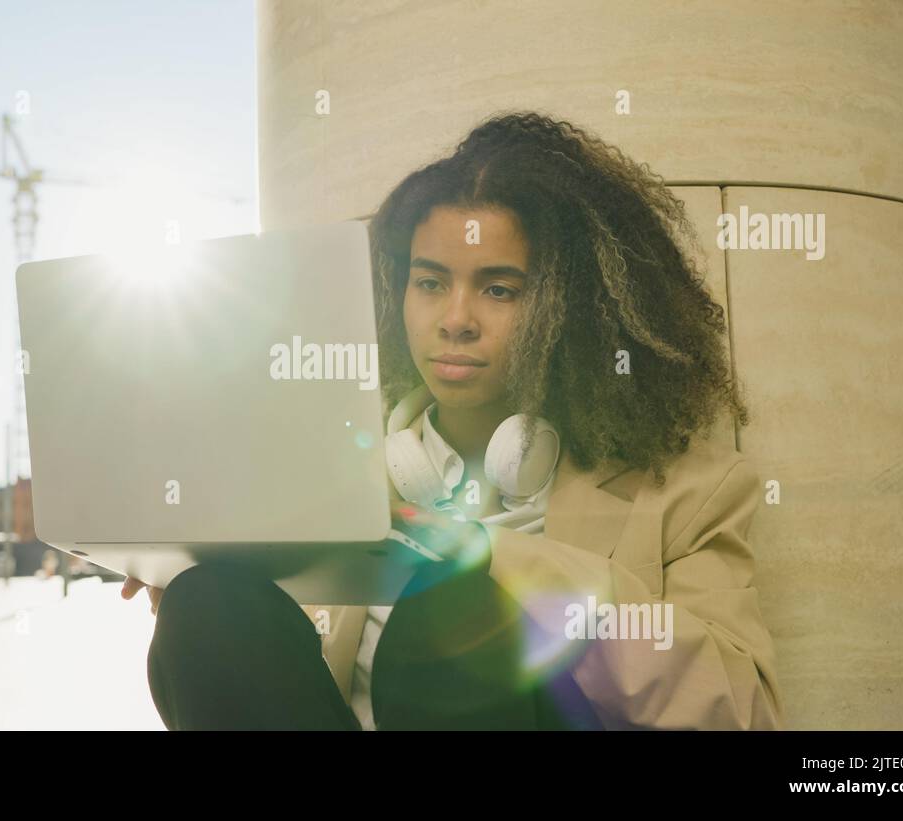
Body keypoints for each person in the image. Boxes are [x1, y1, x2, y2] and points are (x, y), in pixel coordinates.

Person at [125, 110, 784, 730]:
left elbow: (740, 706)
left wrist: (494, 559)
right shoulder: (335, 483)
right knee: (207, 607)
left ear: (573, 307)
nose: (455, 319)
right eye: (431, 282)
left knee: (450, 614)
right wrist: (191, 574)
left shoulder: (692, 491)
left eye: (499, 288)